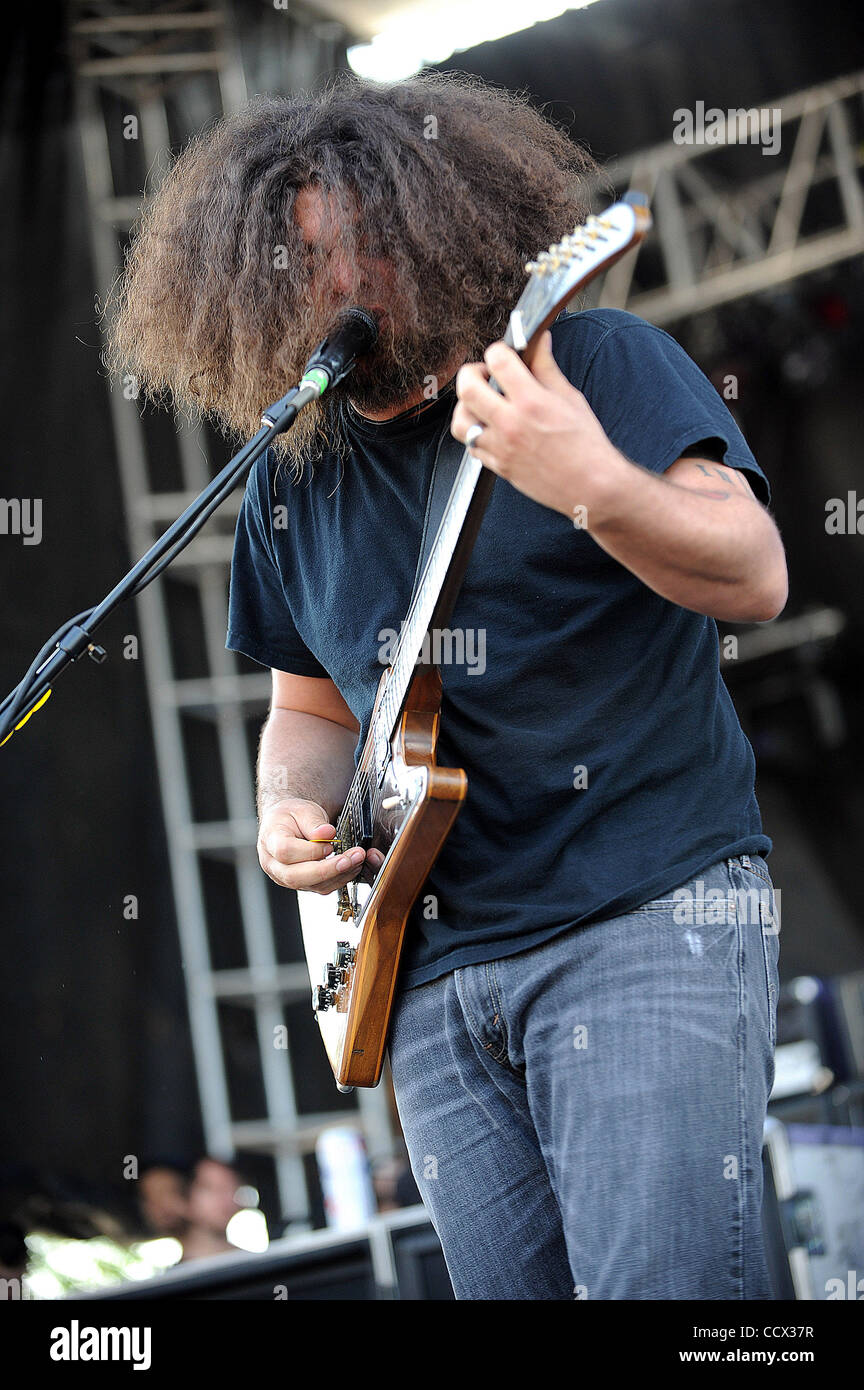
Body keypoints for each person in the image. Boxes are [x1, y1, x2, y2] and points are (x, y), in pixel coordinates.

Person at [106, 73, 787, 1300]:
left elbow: (754, 575)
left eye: (365, 244)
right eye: (299, 261)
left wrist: (588, 474)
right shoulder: (289, 482)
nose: (339, 281)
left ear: (441, 226)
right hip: (424, 973)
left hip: (641, 918)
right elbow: (308, 714)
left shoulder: (585, 364)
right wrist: (285, 815)